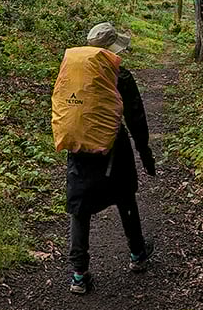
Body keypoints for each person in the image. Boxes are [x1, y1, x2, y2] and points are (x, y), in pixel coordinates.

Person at [64, 21, 156, 294]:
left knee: (80, 207)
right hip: (114, 147)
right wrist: (145, 152)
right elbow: (136, 117)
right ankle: (137, 254)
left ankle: (79, 274)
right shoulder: (121, 76)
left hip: (79, 147)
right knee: (125, 196)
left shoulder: (73, 73)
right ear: (112, 49)